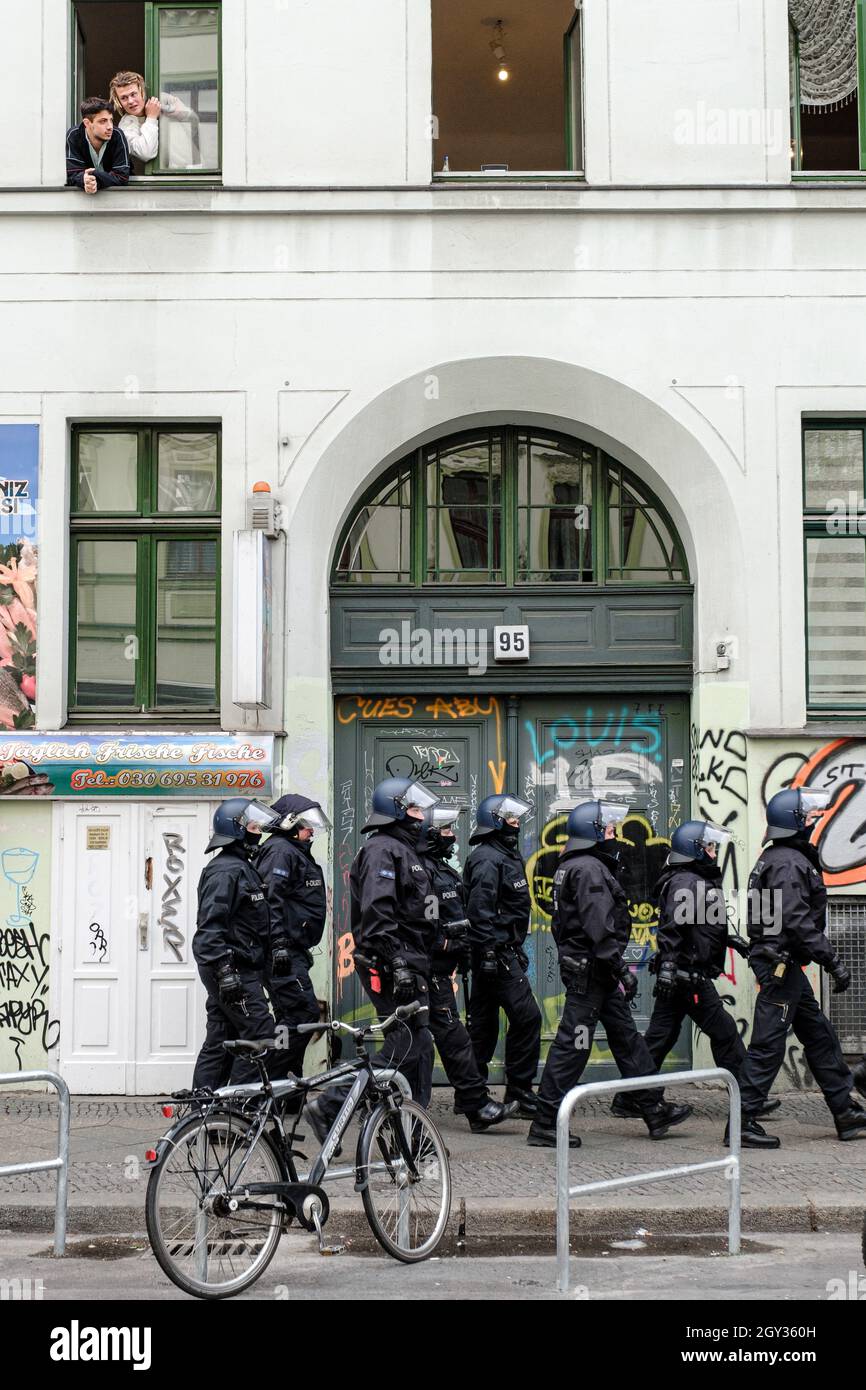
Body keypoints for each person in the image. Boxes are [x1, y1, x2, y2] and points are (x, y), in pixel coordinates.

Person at [528, 800, 692, 1148]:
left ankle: (653, 1108)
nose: (614, 834)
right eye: (608, 829)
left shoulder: (575, 865)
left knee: (627, 1040)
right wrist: (621, 969)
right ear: (592, 832)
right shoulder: (589, 869)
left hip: (593, 971)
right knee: (574, 1046)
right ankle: (545, 1122)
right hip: (593, 972)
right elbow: (598, 926)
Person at [610, 819, 779, 1119]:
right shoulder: (687, 882)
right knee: (725, 1032)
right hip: (688, 977)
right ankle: (748, 1097)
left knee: (660, 1039)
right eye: (710, 846)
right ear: (694, 849)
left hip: (682, 975)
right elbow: (674, 928)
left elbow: (703, 926)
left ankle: (629, 1098)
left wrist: (732, 941)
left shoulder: (698, 880)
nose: (714, 851)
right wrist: (670, 967)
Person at [731, 786, 866, 1148]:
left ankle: (845, 1111)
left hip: (784, 964)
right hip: (780, 965)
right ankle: (741, 1122)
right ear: (793, 823)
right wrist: (832, 960)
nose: (813, 822)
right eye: (807, 817)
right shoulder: (789, 861)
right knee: (768, 1044)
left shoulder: (779, 857)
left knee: (820, 1037)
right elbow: (796, 919)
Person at [305, 777, 440, 1139]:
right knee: (406, 1044)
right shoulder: (383, 849)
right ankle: (331, 1104)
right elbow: (378, 914)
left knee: (418, 1046)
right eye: (413, 809)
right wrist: (396, 962)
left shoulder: (403, 849)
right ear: (395, 810)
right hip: (391, 963)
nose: (421, 816)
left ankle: (407, 1129)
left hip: (409, 961)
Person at [420, 805, 518, 1132]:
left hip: (439, 969)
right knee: (438, 1040)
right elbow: (422, 922)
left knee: (450, 1038)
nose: (452, 836)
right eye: (445, 831)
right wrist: (444, 945)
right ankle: (339, 1100)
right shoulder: (422, 872)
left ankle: (474, 1105)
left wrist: (459, 950)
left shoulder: (440, 869)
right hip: (427, 970)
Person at [191, 797, 285, 1089]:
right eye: (254, 825)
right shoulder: (226, 871)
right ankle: (238, 1111)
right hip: (231, 968)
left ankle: (205, 1114)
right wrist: (225, 973)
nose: (259, 831)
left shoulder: (242, 867)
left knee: (221, 1039)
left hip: (237, 966)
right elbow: (209, 930)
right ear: (237, 829)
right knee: (261, 1037)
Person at [464, 794, 542, 1118]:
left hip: (501, 951)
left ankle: (471, 1094)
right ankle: (519, 1092)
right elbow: (479, 911)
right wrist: (487, 953)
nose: (517, 822)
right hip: (494, 953)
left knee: (483, 1026)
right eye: (510, 818)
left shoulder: (505, 855)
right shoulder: (487, 859)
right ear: (495, 821)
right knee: (527, 1018)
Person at [256, 793, 329, 1082]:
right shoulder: (280, 851)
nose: (312, 830)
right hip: (281, 953)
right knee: (301, 1014)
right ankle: (273, 1081)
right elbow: (269, 900)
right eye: (307, 824)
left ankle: (286, 1086)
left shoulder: (292, 851)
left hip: (291, 950)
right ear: (289, 823)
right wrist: (280, 946)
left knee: (295, 1015)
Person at [109, 70, 197, 167]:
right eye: (124, 98)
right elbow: (146, 153)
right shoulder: (125, 126)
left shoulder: (162, 99)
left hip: (194, 168)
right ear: (119, 102)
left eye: (133, 94)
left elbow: (194, 123)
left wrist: (180, 114)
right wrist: (151, 118)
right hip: (165, 177)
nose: (130, 101)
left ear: (142, 91)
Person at [66, 97, 130, 194]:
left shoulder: (117, 135)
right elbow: (71, 175)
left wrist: (94, 175)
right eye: (103, 121)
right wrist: (84, 180)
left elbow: (122, 177)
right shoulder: (74, 135)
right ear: (87, 123)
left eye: (111, 120)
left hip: (115, 199)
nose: (110, 127)